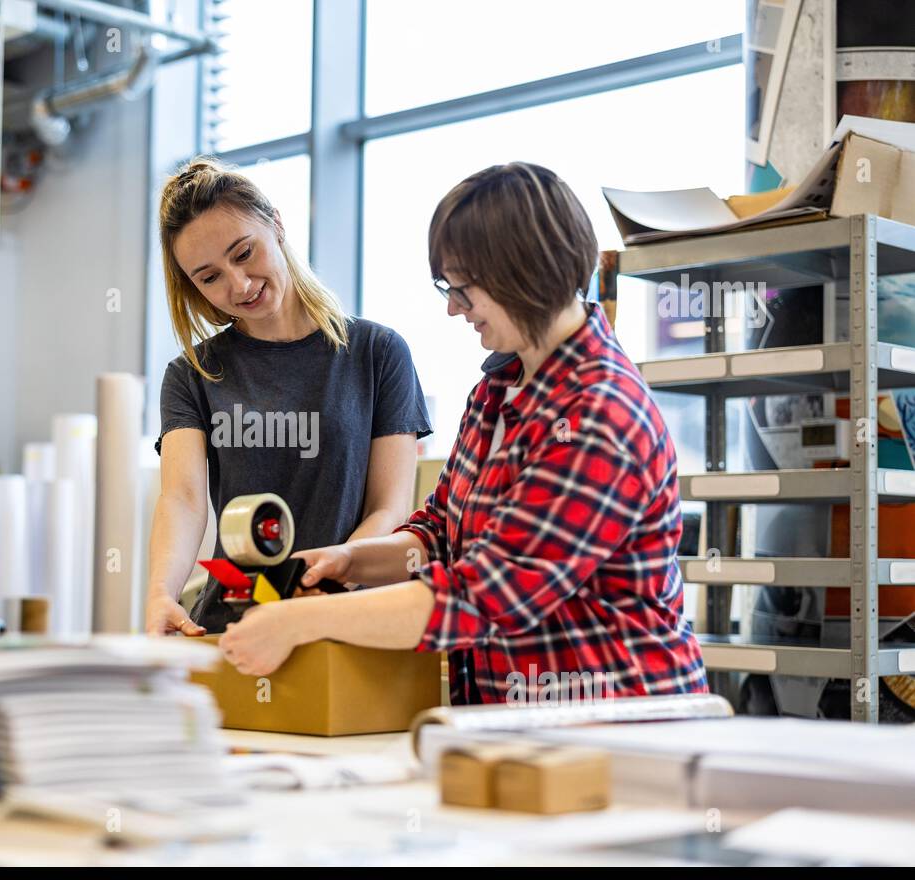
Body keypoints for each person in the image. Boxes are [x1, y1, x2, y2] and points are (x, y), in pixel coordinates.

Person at [219, 162, 708, 704]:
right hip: (518, 724)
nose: (453, 308)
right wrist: (351, 561)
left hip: (621, 723)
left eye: (464, 289)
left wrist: (299, 622)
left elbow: (484, 596)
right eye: (447, 288)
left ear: (525, 273)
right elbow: (438, 535)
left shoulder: (597, 413)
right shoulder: (497, 392)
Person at [146, 157, 433, 636]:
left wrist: (332, 576)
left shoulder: (377, 353)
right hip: (233, 628)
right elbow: (183, 499)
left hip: (341, 622)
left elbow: (389, 508)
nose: (239, 285)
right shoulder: (192, 374)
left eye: (244, 253)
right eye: (209, 277)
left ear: (276, 225)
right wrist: (160, 592)